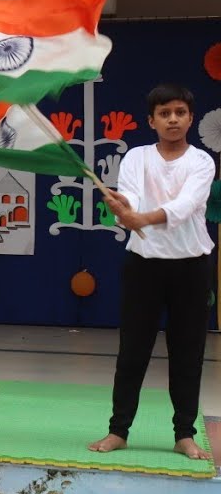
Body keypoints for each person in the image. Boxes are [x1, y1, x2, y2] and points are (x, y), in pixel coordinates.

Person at [89, 84, 214, 461]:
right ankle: (118, 431)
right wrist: (123, 207)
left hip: (191, 267)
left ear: (190, 118)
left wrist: (140, 216)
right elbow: (131, 203)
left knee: (187, 353)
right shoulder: (136, 159)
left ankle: (184, 434)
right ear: (152, 120)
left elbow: (187, 205)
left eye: (179, 112)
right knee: (132, 352)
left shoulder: (202, 162)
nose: (172, 119)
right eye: (164, 113)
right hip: (144, 266)